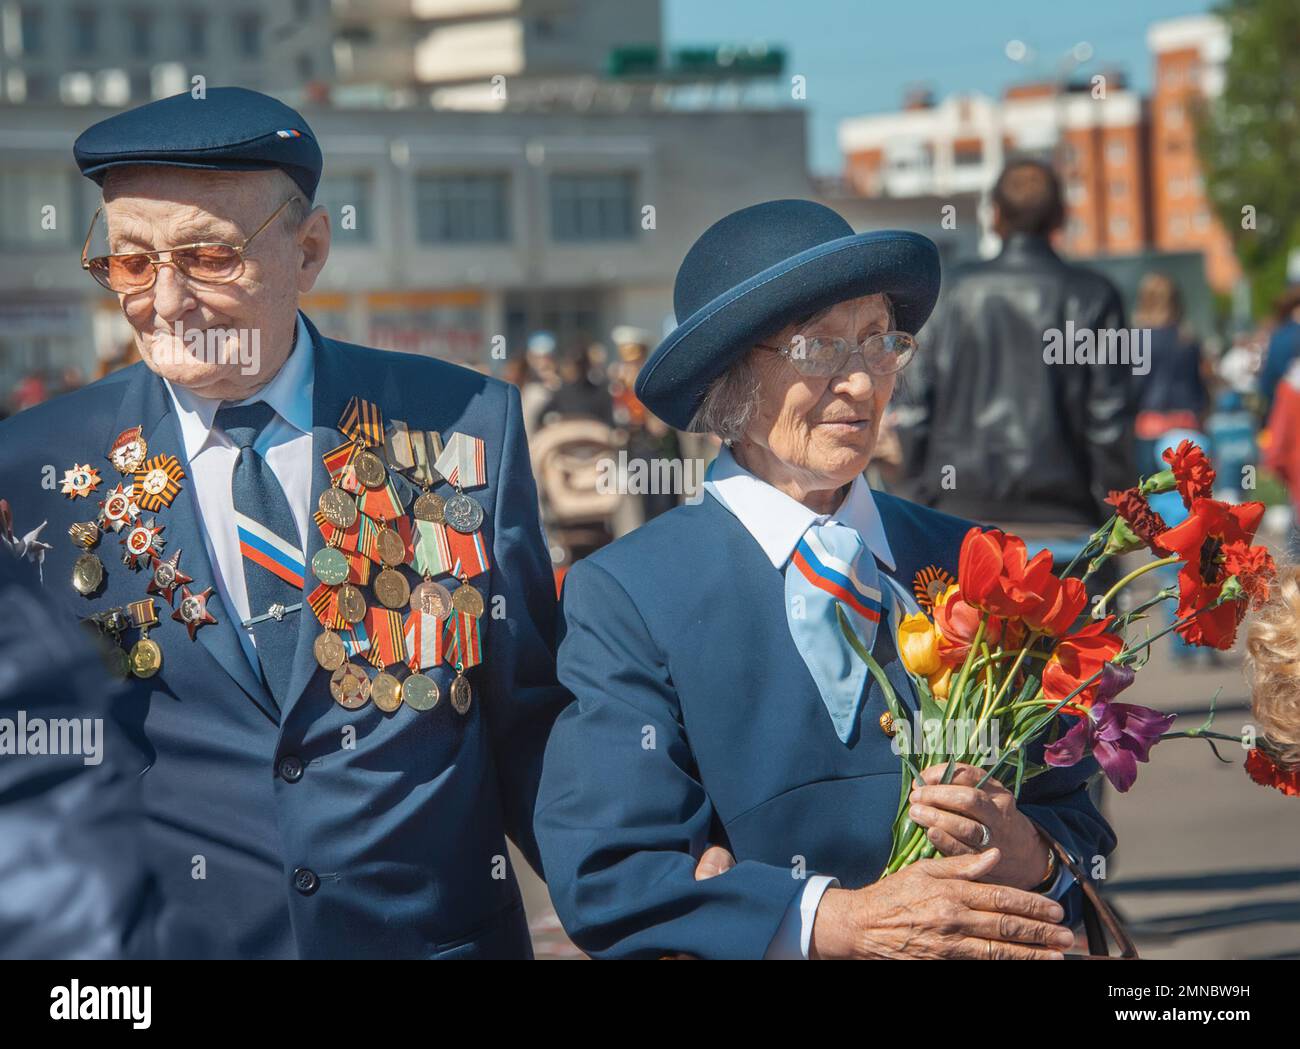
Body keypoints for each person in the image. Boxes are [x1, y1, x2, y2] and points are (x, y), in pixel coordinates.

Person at [0, 87, 571, 958]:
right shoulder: (37, 463)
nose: (167, 299)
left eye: (206, 257)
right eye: (130, 263)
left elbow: (529, 717)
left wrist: (655, 899)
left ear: (308, 250)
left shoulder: (458, 424)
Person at [535, 199, 1114, 959]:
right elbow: (611, 870)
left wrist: (1030, 853)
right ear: (731, 378)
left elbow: (1078, 823)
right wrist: (833, 922)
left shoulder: (977, 558)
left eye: (878, 343)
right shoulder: (630, 592)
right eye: (818, 349)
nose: (862, 384)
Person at [897, 159, 1136, 573]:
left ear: (995, 216)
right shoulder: (1098, 296)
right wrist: (1113, 517)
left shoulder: (951, 293)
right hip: (1066, 523)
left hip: (961, 527)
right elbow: (1111, 421)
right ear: (1062, 215)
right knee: (1078, 639)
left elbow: (916, 404)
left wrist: (920, 495)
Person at [1131, 272, 1208, 472]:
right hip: (1185, 425)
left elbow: (1133, 387)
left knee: (1147, 495)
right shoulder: (1188, 340)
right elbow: (1198, 386)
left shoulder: (1137, 340)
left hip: (1149, 425)